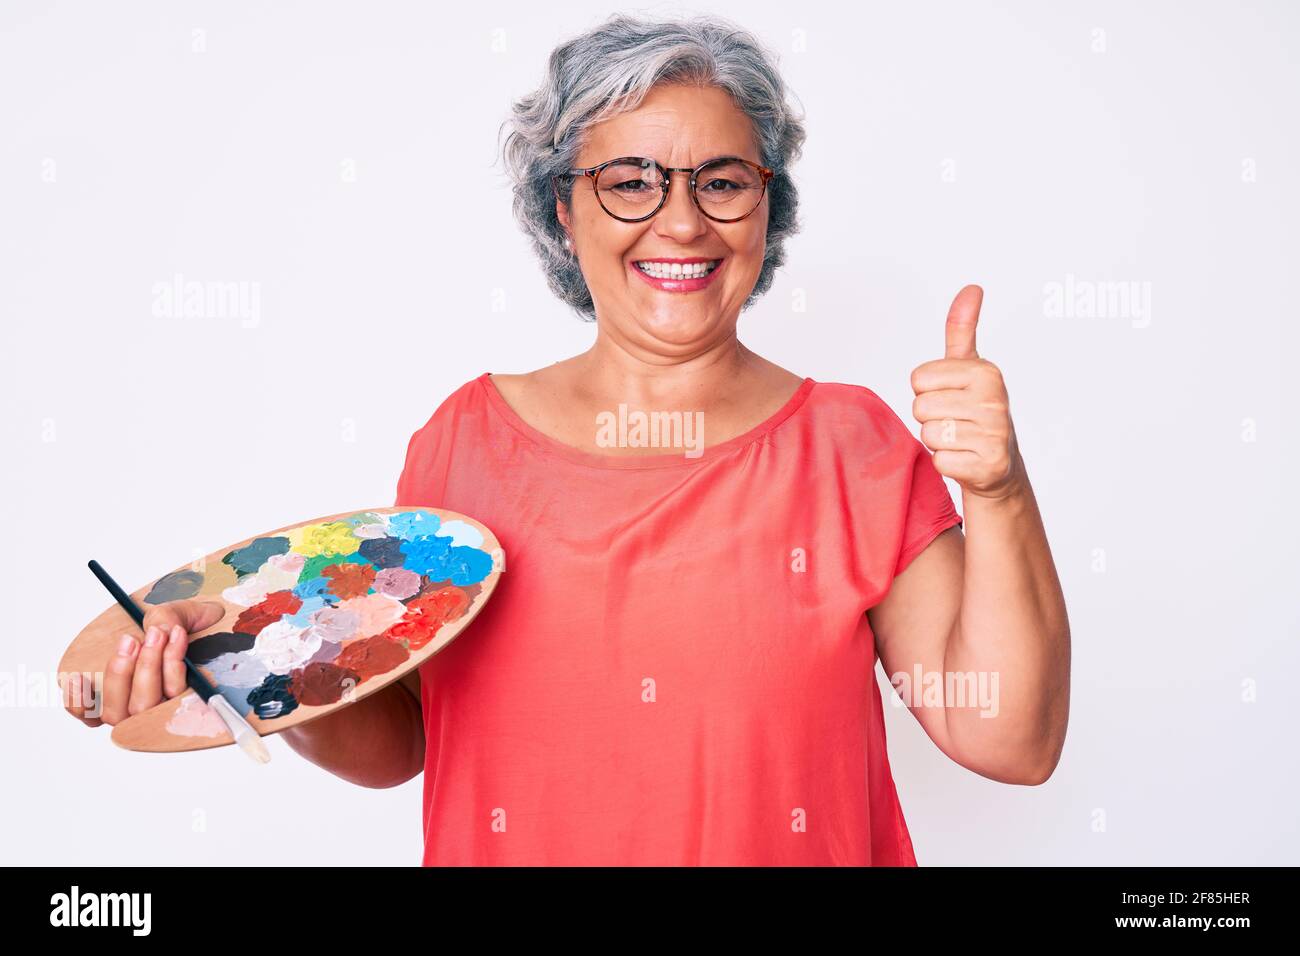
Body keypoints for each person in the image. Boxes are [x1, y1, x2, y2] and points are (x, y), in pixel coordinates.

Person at [63, 13, 1070, 865]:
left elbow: (1010, 737)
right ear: (562, 206)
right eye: (630, 181)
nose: (680, 222)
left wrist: (999, 491)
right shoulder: (459, 444)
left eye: (722, 181)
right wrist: (249, 668)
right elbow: (400, 741)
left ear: (768, 205)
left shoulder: (853, 445)